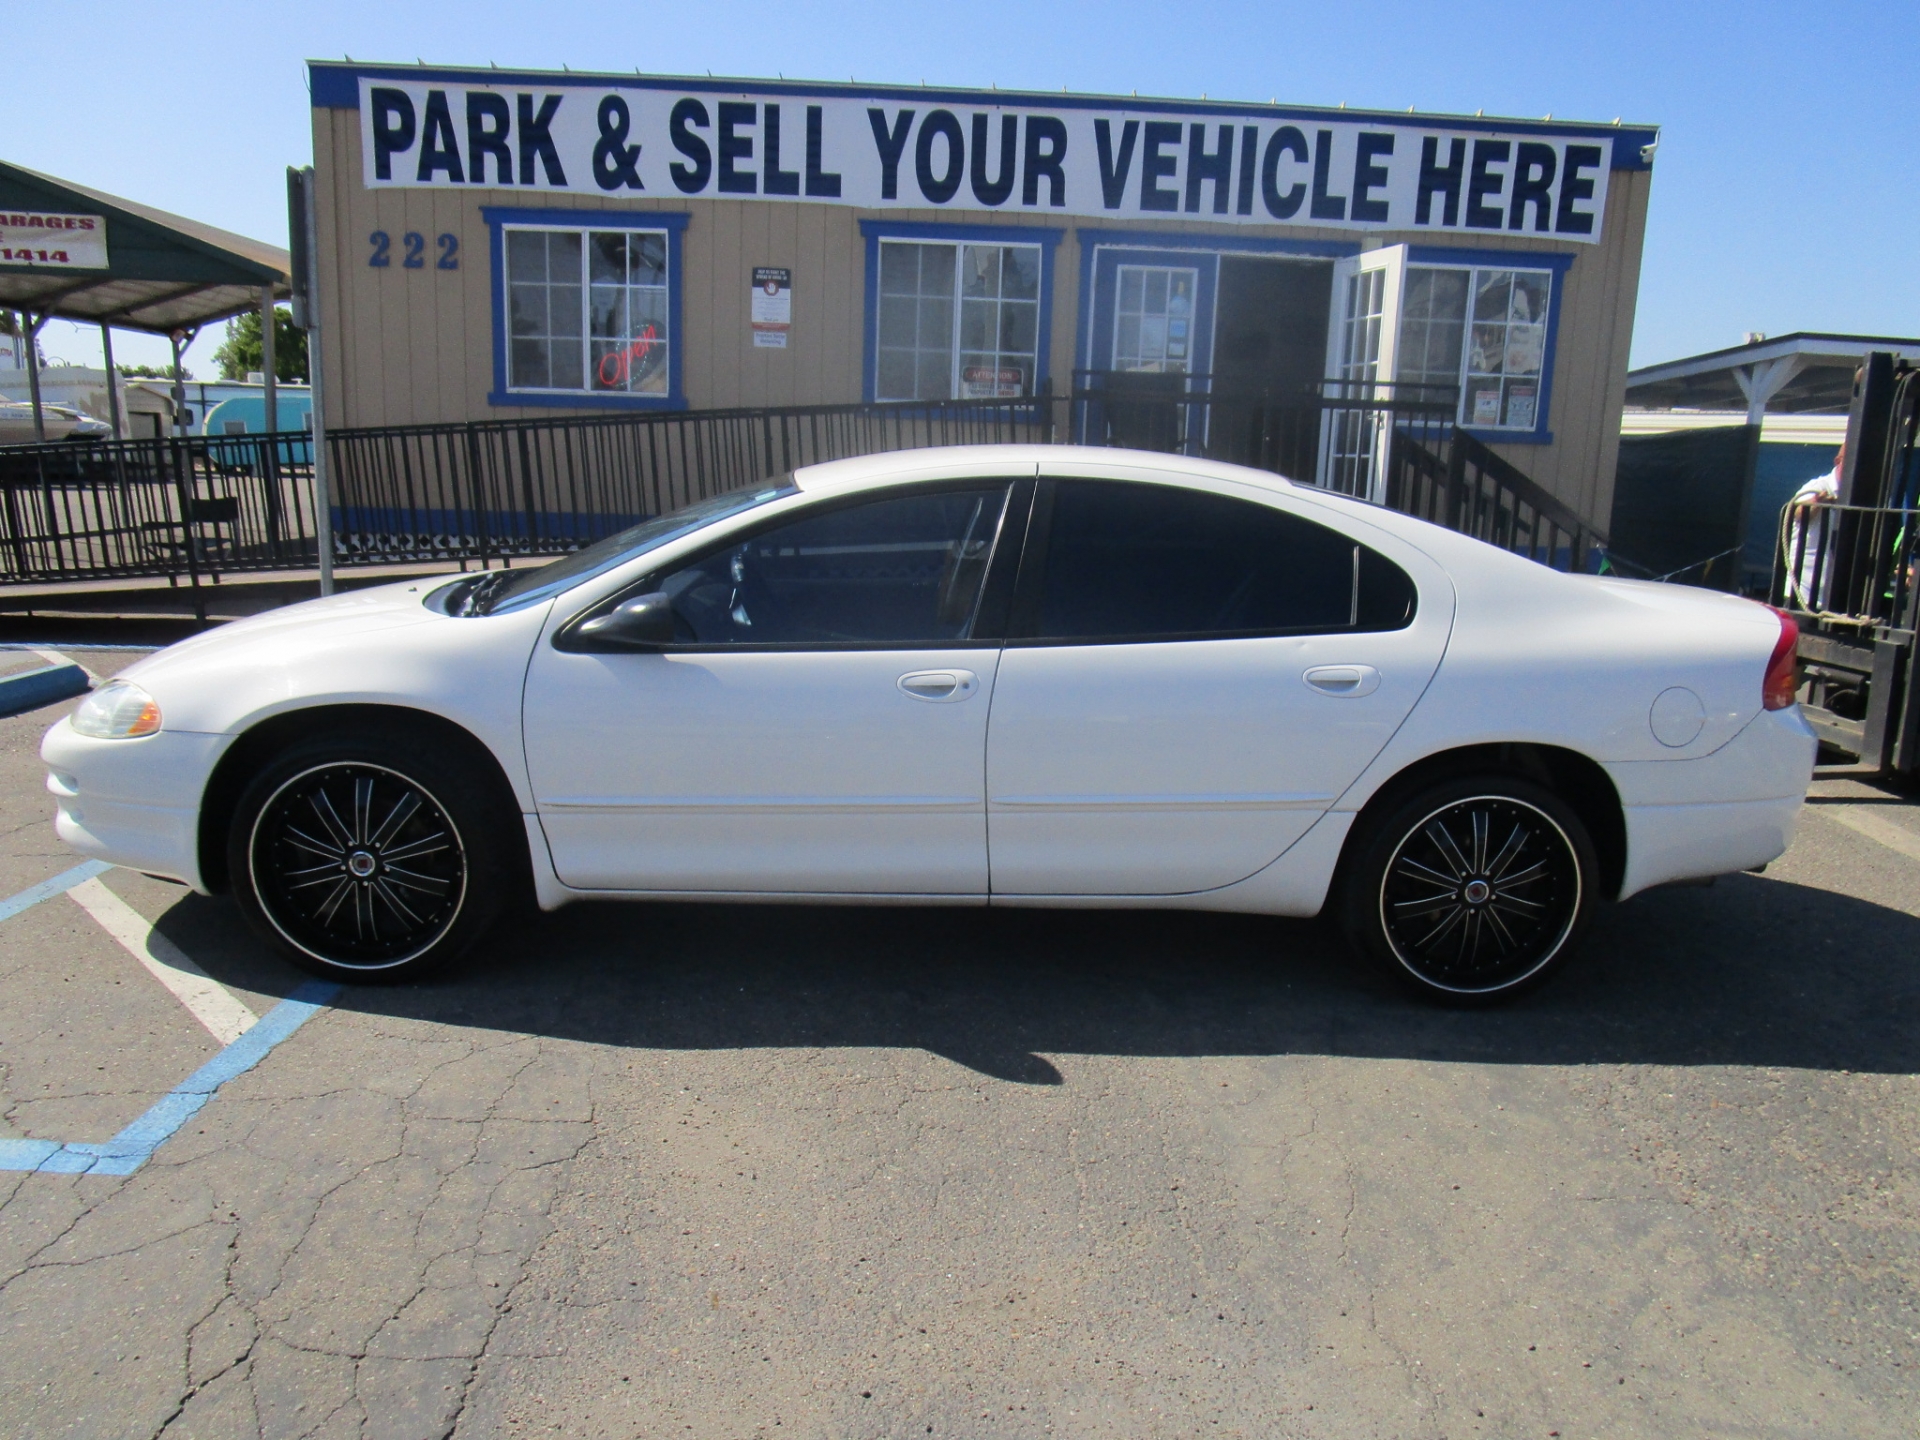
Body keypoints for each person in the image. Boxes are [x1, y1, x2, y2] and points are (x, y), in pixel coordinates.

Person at [1785, 439, 1844, 609]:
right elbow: (1797, 514)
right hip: (1802, 593)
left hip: (1834, 597)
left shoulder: (1859, 493)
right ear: (1838, 461)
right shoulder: (1818, 486)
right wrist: (1815, 503)